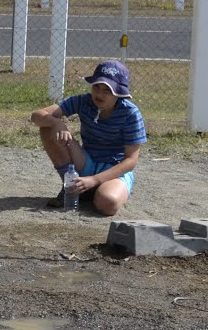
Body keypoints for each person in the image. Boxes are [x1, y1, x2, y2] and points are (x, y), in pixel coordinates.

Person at [29, 59, 146, 216]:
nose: (99, 94)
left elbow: (131, 161)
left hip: (114, 169)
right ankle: (72, 188)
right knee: (47, 126)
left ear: (119, 93)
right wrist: (57, 123)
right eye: (96, 87)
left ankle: (90, 190)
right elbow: (36, 116)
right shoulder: (84, 101)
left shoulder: (131, 113)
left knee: (108, 203)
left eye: (107, 90)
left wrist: (95, 180)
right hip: (86, 161)